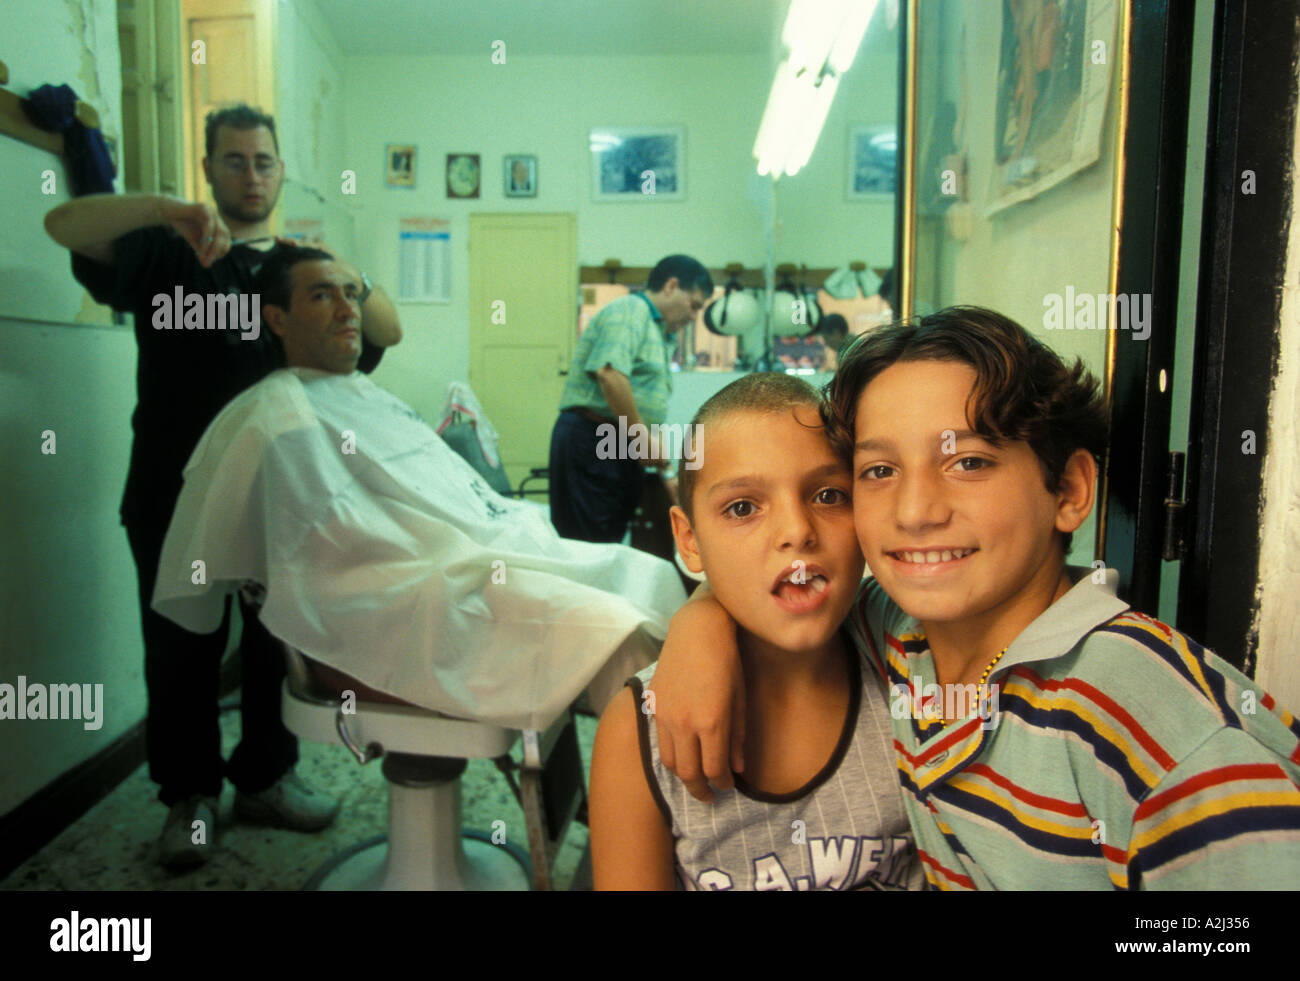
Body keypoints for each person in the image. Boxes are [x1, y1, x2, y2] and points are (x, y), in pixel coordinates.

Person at [647, 306, 1300, 889]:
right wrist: (698, 622)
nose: (916, 510)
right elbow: (779, 578)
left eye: (969, 462)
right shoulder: (900, 632)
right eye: (878, 471)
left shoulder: (1143, 710)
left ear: (1069, 490)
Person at [42, 104, 403, 870]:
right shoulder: (168, 252)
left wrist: (339, 265)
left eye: (263, 160)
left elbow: (386, 331)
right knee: (181, 649)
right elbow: (64, 225)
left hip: (280, 497)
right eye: (233, 160)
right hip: (174, 496)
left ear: (280, 171)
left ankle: (266, 778)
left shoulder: (296, 271)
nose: (250, 174)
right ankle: (191, 799)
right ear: (208, 168)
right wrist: (164, 209)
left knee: (278, 645)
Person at [151, 247, 684, 732]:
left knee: (647, 572)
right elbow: (322, 547)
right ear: (276, 318)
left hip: (462, 559)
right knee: (619, 635)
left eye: (351, 294)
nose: (347, 309)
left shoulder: (364, 395)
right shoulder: (270, 415)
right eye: (321, 295)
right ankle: (654, 825)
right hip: (391, 602)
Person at [588, 373, 922, 891]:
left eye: (830, 494)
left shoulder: (907, 654)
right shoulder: (639, 735)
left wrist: (701, 614)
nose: (796, 530)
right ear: (688, 539)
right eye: (742, 507)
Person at [548, 254, 713, 542]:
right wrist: (640, 436)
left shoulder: (657, 331)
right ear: (671, 286)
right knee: (589, 543)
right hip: (593, 437)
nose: (693, 315)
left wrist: (656, 457)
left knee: (610, 536)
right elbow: (610, 373)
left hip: (617, 442)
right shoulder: (630, 311)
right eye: (694, 305)